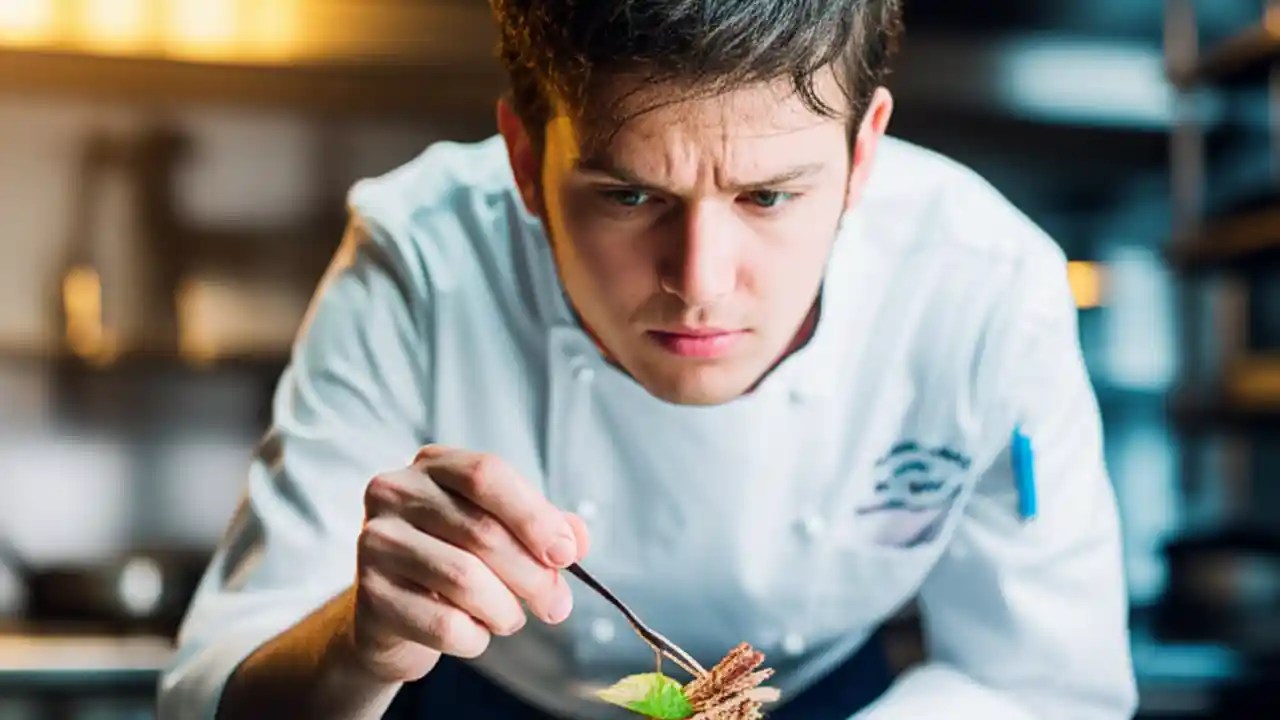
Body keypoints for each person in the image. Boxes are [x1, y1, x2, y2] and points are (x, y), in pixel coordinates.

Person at [158, 0, 1139, 718]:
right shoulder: (423, 255)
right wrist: (355, 643)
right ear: (521, 159)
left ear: (862, 155)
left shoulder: (982, 284)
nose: (699, 281)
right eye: (628, 197)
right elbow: (212, 690)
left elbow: (1039, 682)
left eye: (767, 198)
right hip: (484, 695)